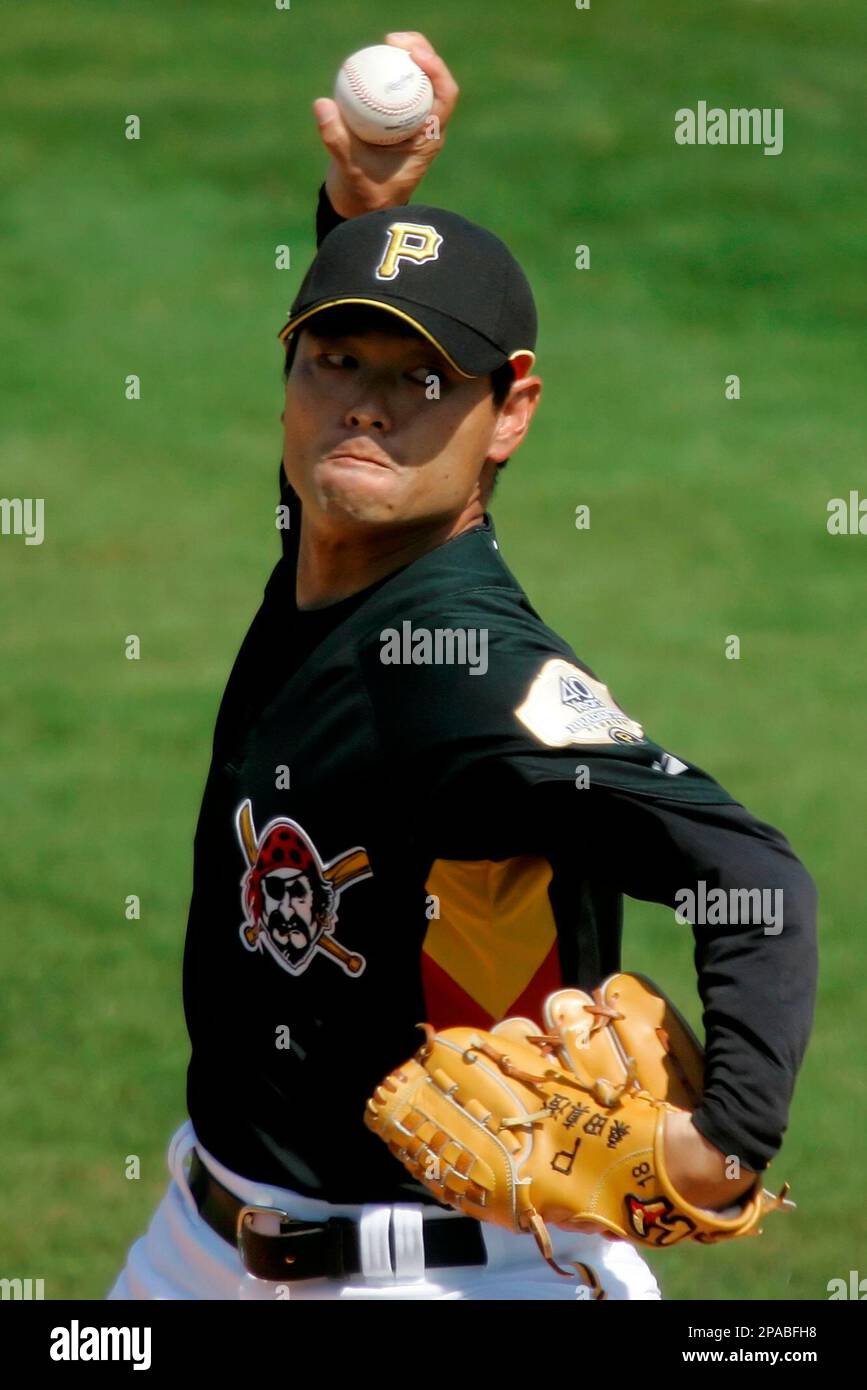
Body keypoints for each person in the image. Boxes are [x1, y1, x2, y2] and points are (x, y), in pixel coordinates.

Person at [107, 32, 817, 1302]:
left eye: (422, 379)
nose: (366, 407)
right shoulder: (331, 546)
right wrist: (363, 214)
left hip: (452, 1279)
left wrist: (723, 1149)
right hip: (194, 1248)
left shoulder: (466, 667)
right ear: (291, 378)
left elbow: (749, 869)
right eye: (337, 361)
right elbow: (336, 441)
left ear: (514, 410)